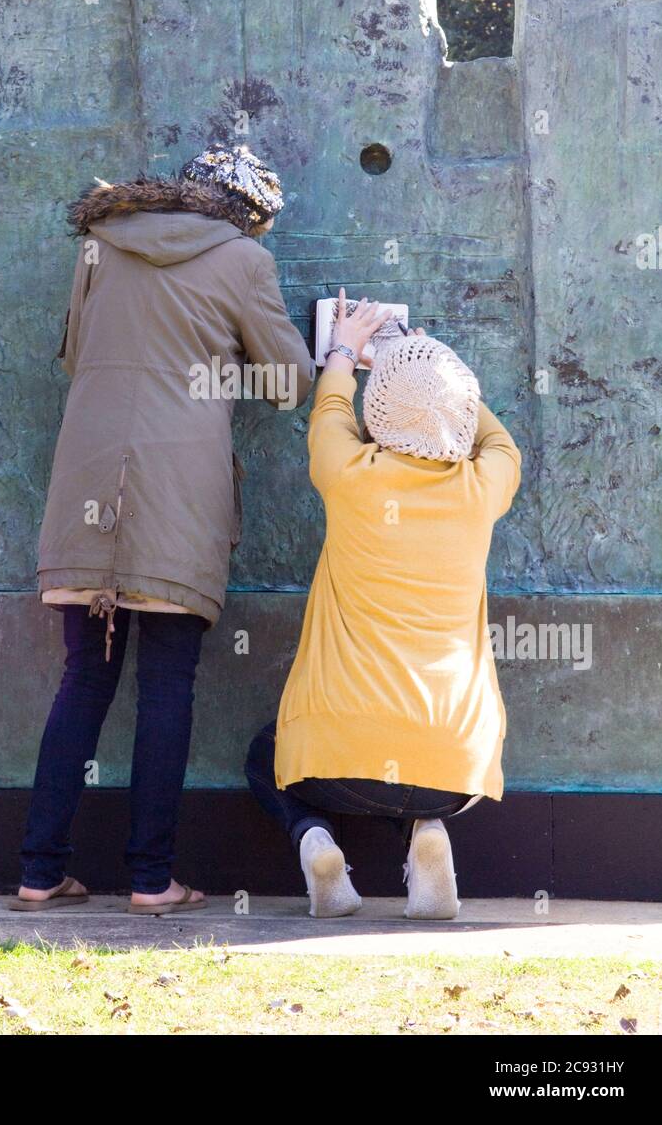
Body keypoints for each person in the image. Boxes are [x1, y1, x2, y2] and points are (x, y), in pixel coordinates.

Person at [12, 145, 315, 913]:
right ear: (248, 214)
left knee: (82, 678)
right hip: (180, 490)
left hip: (86, 478)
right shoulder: (244, 258)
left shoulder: (100, 241)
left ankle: (39, 871)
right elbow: (287, 386)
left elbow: (76, 353)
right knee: (166, 687)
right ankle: (152, 880)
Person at [245, 290, 521, 919]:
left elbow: (332, 408)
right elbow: (496, 436)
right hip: (455, 769)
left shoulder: (348, 475)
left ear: (379, 414)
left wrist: (346, 348)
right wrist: (430, 368)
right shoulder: (484, 486)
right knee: (419, 758)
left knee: (267, 755)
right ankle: (428, 833)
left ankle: (316, 842)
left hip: (335, 763)